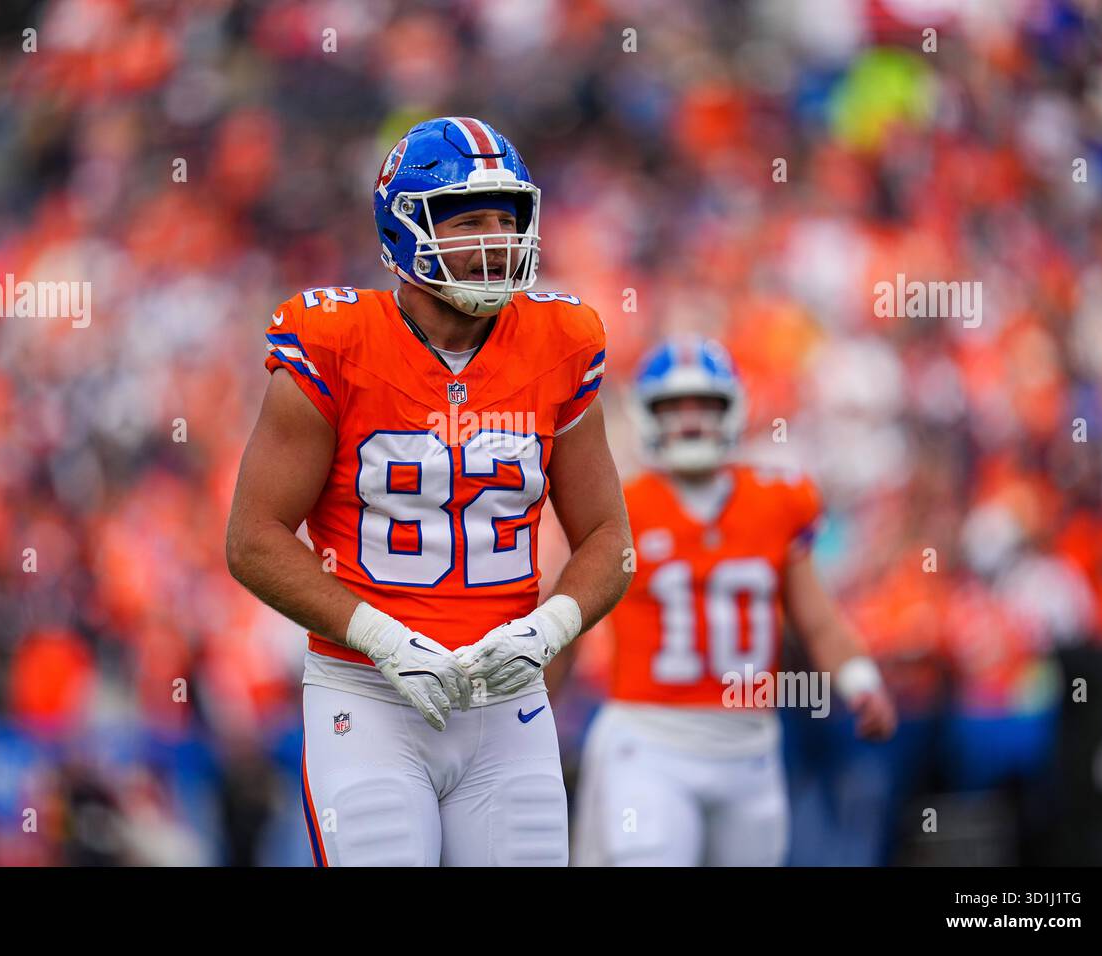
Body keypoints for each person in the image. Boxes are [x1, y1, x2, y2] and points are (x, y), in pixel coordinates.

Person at [226, 116, 632, 866]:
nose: (494, 240)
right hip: (370, 697)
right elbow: (252, 540)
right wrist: (380, 636)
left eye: (505, 221)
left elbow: (610, 538)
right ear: (405, 226)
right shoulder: (334, 341)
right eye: (468, 220)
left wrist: (547, 632)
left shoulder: (561, 341)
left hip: (506, 703)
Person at [571, 336, 897, 867]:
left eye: (705, 405)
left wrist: (861, 682)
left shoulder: (779, 500)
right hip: (650, 740)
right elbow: (572, 618)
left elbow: (817, 620)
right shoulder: (621, 506)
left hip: (749, 747)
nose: (691, 421)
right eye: (674, 408)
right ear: (649, 417)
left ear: (733, 410)